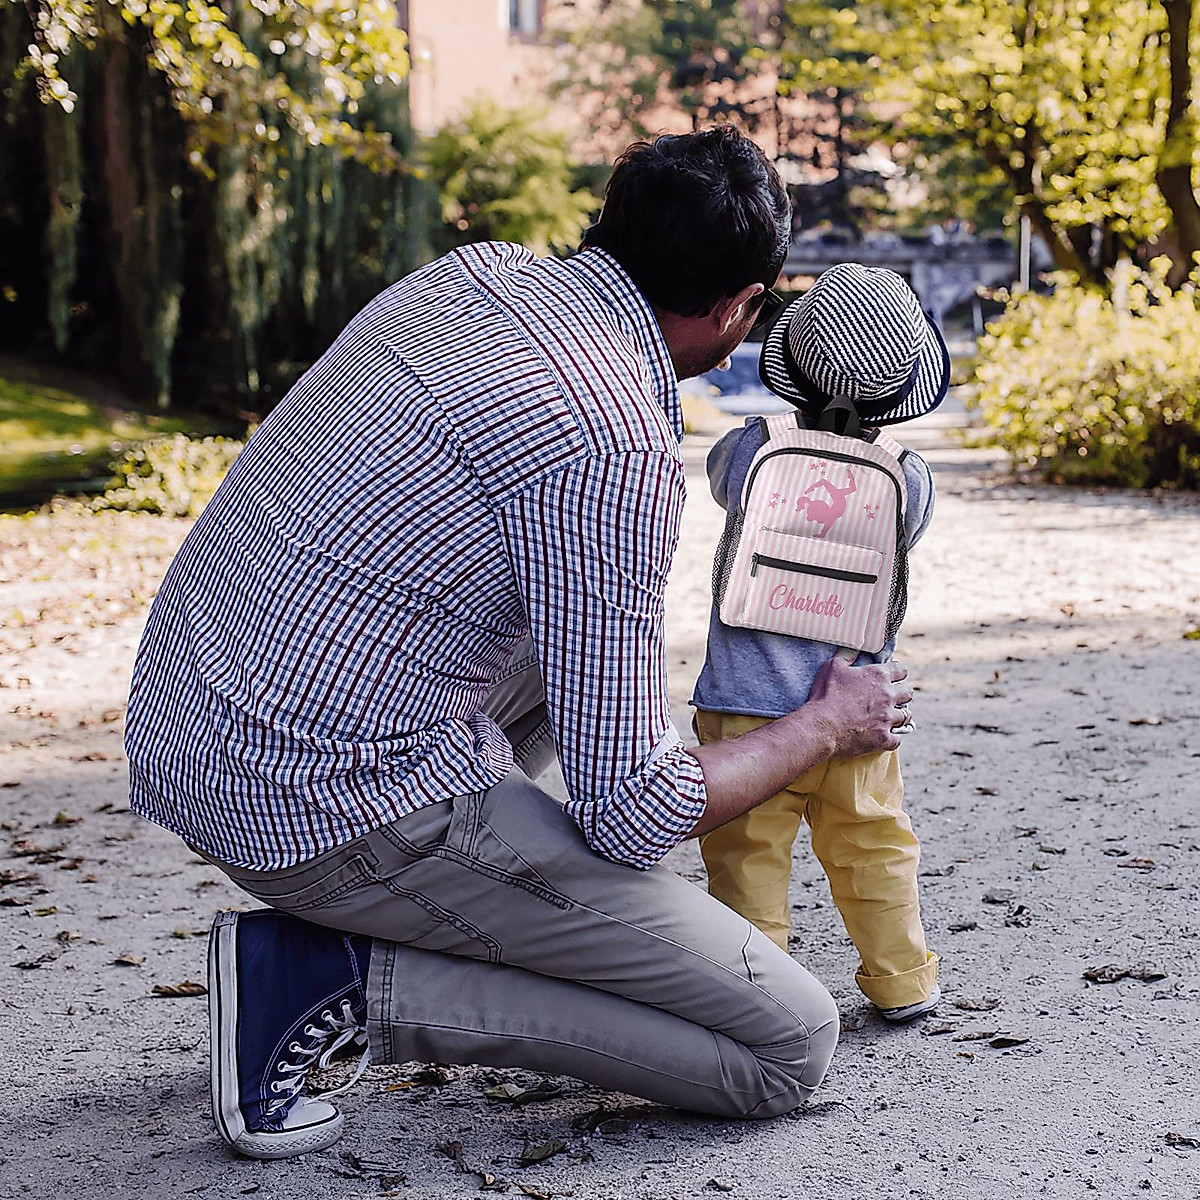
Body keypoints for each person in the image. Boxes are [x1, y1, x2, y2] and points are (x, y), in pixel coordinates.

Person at [124, 128, 914, 1161]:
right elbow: (637, 813)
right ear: (737, 308)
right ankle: (333, 983)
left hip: (193, 721)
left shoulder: (474, 275)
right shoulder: (615, 440)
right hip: (317, 800)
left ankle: (487, 894)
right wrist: (821, 726)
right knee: (785, 1044)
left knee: (582, 641)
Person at [692, 263, 948, 1022]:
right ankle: (903, 980)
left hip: (744, 715)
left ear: (791, 371)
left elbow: (718, 487)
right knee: (874, 850)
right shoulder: (910, 478)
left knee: (747, 863)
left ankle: (760, 998)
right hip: (857, 708)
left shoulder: (747, 452)